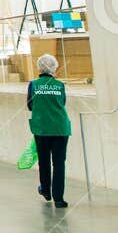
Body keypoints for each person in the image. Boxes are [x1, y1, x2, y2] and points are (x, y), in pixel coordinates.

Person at [27, 53, 71, 208]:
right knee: (59, 163)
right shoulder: (60, 85)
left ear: (39, 67)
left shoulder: (33, 85)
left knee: (44, 161)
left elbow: (30, 105)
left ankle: (46, 189)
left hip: (42, 129)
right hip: (60, 128)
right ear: (54, 68)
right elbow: (63, 103)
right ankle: (59, 199)